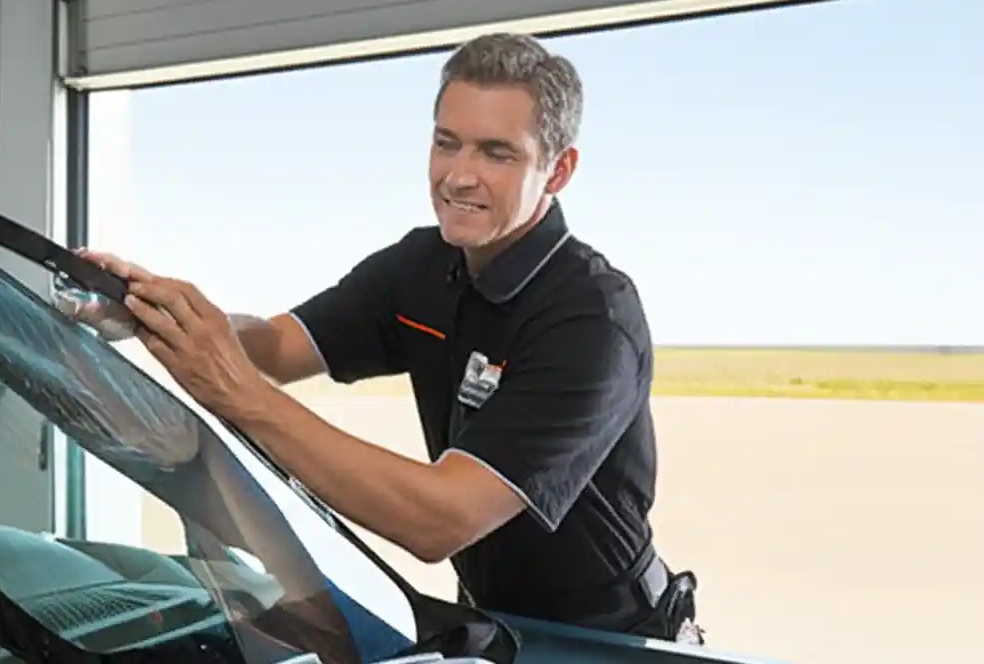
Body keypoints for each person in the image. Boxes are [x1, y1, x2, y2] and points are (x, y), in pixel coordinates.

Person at [71, 32, 703, 643]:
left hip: (607, 638)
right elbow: (273, 346)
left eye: (496, 153)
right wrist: (153, 311)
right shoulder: (421, 267)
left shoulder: (591, 318)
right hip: (493, 621)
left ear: (558, 170)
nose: (458, 176)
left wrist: (240, 397)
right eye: (446, 143)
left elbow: (439, 519)